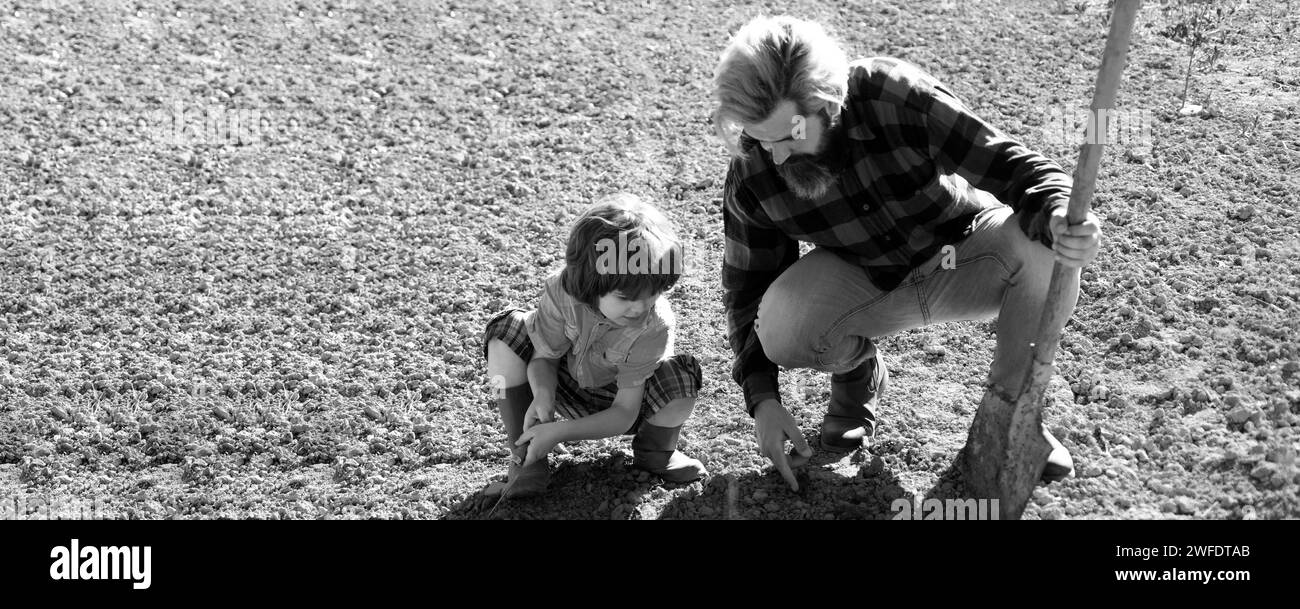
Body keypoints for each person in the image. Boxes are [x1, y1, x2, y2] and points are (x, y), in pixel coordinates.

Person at [711, 16, 1103, 491]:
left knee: (1044, 248)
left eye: (788, 136)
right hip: (869, 281)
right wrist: (764, 400)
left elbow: (1015, 168)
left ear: (828, 103)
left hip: (967, 254)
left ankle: (1014, 419)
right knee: (779, 325)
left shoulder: (890, 94)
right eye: (760, 138)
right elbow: (746, 293)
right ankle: (858, 373)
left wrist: (1061, 215)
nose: (775, 156)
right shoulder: (755, 169)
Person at [481, 193, 707, 498]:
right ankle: (524, 455)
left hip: (623, 403)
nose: (639, 308)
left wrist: (560, 431)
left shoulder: (653, 326)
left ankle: (657, 452)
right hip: (567, 384)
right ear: (590, 283)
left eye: (651, 294)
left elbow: (625, 411)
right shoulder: (562, 290)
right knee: (504, 333)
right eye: (625, 298)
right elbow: (543, 356)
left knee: (680, 381)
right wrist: (543, 395)